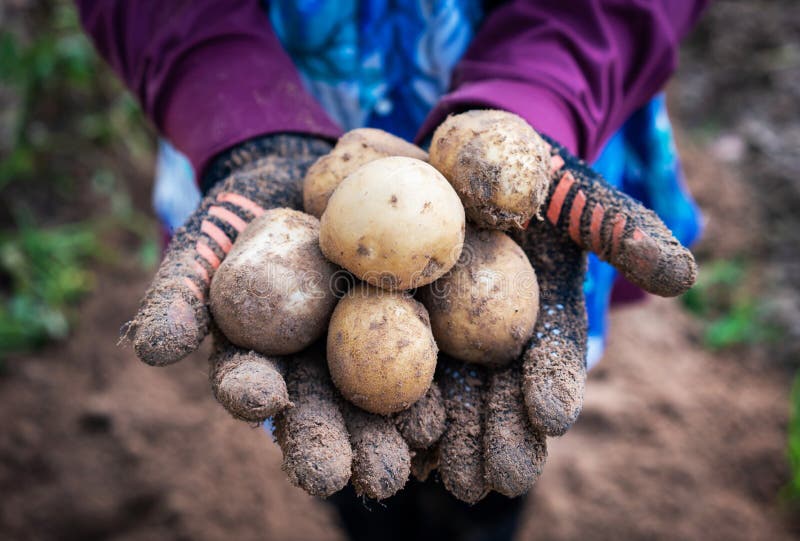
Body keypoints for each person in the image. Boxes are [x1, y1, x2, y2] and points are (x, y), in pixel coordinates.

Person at [77, 2, 708, 540]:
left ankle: (482, 523)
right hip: (265, 87)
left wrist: (540, 94)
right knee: (347, 458)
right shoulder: (330, 224)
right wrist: (239, 111)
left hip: (530, 92)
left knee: (498, 435)